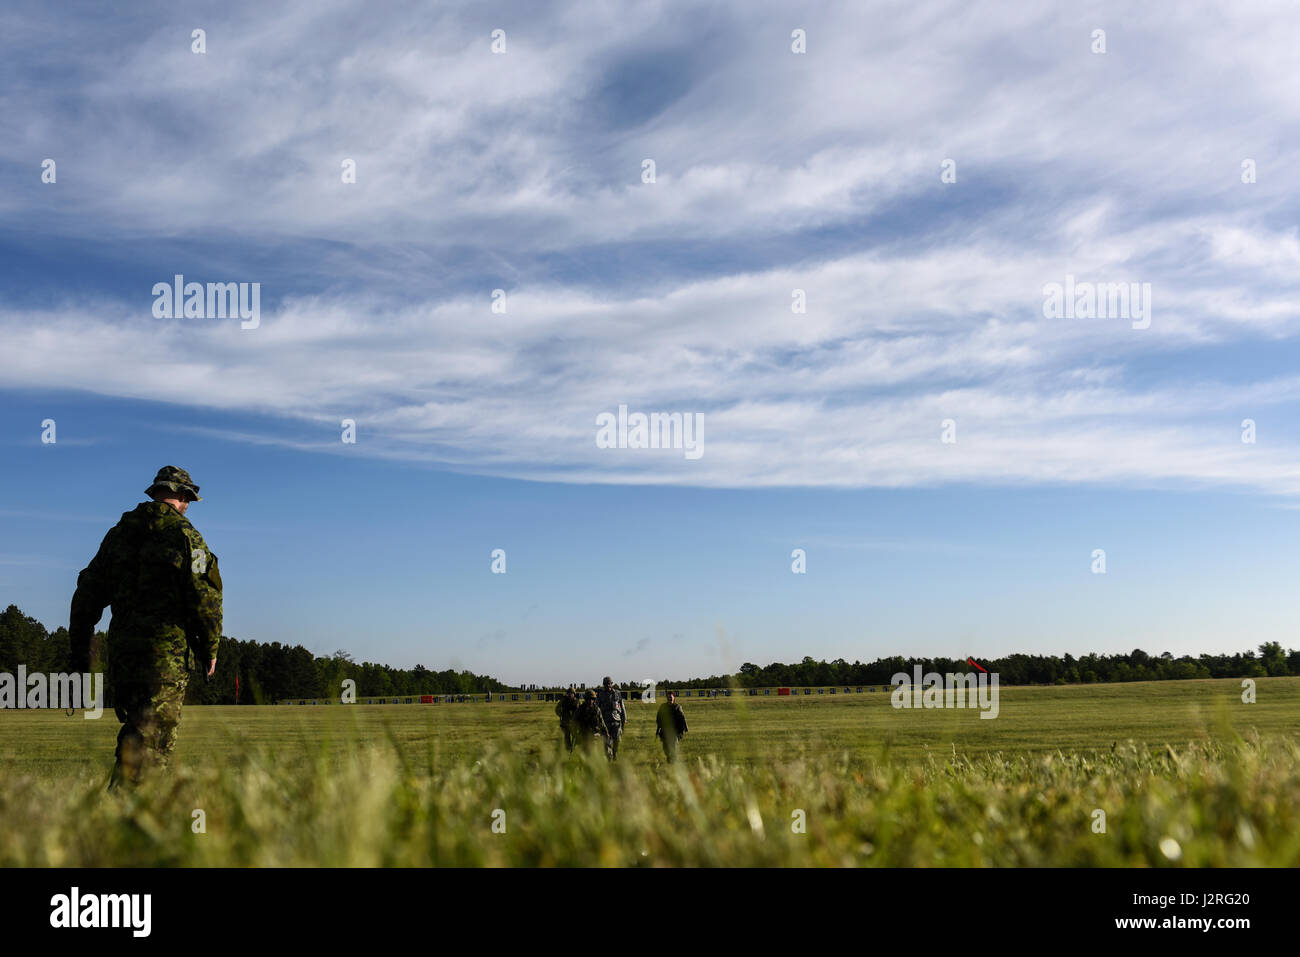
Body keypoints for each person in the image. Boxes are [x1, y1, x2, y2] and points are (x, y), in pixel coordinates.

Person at [69, 466, 222, 788]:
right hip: (165, 656)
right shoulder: (186, 537)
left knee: (137, 732)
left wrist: (80, 651)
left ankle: (123, 815)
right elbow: (204, 597)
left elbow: (87, 595)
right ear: (183, 496)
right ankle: (129, 819)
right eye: (189, 499)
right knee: (153, 740)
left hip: (124, 654)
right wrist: (210, 648)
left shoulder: (117, 536)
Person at [595, 675, 626, 761]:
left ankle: (615, 753)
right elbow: (596, 707)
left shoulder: (617, 693)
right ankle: (609, 757)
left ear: (611, 684)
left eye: (609, 684)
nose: (607, 685)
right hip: (605, 721)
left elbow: (622, 707)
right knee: (606, 742)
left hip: (616, 720)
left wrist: (624, 719)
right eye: (605, 684)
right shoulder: (600, 695)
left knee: (617, 740)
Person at [655, 690, 689, 762]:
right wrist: (658, 729)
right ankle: (669, 756)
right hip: (665, 730)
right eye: (668, 697)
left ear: (674, 698)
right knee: (665, 747)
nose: (669, 698)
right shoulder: (663, 706)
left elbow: (683, 717)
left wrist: (686, 727)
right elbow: (658, 717)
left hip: (676, 730)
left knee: (673, 745)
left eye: (671, 697)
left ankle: (673, 759)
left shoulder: (677, 707)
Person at [554, 686, 579, 752]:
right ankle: (568, 749)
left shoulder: (577, 702)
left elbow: (581, 710)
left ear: (574, 694)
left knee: (575, 737)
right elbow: (557, 709)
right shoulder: (563, 701)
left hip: (574, 723)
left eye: (572, 693)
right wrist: (561, 715)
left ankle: (573, 749)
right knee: (566, 738)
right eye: (569, 693)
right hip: (565, 723)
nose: (570, 694)